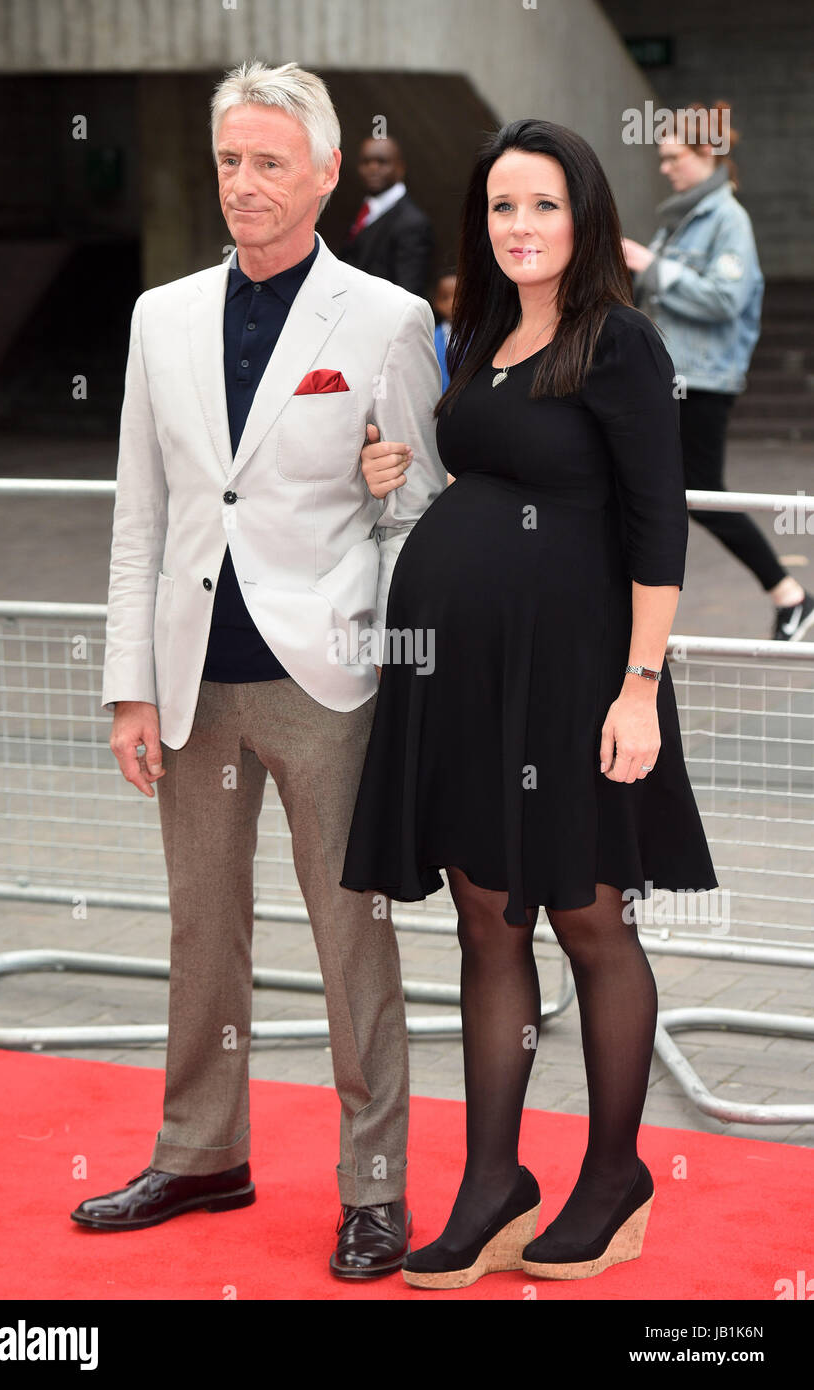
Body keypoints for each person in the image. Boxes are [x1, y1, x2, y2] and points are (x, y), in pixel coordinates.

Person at [71, 59, 448, 1281]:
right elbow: (143, 513)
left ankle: (374, 1184)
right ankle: (200, 1153)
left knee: (356, 941)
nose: (244, 183)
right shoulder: (159, 316)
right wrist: (130, 682)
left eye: (270, 161)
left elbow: (428, 512)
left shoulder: (387, 321)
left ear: (329, 173)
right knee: (200, 934)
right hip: (191, 687)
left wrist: (408, 514)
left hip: (329, 683)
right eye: (230, 160)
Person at [342, 118, 719, 1288]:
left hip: (578, 680)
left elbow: (659, 527)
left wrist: (640, 690)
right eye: (503, 206)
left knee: (590, 916)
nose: (519, 227)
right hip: (464, 682)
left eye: (543, 205)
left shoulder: (622, 342)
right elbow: (495, 477)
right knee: (485, 914)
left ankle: (614, 1176)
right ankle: (495, 1177)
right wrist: (396, 476)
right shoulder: (487, 333)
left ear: (584, 214)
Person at [623, 101, 814, 643]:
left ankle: (789, 594)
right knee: (672, 491)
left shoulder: (726, 219)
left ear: (706, 153)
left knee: (697, 493)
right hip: (678, 376)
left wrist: (652, 265)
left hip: (700, 381)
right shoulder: (688, 215)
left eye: (672, 157)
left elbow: (726, 300)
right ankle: (786, 596)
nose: (665, 167)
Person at [337, 134, 435, 297]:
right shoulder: (365, 209)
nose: (373, 168)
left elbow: (409, 292)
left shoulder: (413, 223)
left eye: (382, 162)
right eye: (366, 162)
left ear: (400, 168)